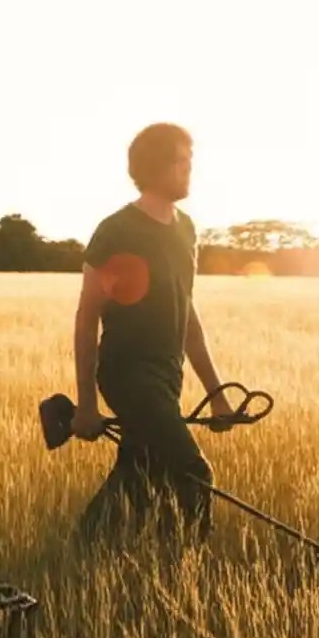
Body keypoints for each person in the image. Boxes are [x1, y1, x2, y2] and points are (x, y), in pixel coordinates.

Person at [71, 122, 237, 550]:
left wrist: (216, 393)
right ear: (157, 166)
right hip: (128, 374)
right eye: (182, 162)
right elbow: (88, 317)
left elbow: (188, 316)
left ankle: (83, 549)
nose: (189, 171)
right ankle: (180, 567)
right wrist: (86, 404)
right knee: (192, 471)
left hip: (167, 376)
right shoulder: (117, 230)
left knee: (140, 470)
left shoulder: (186, 229)